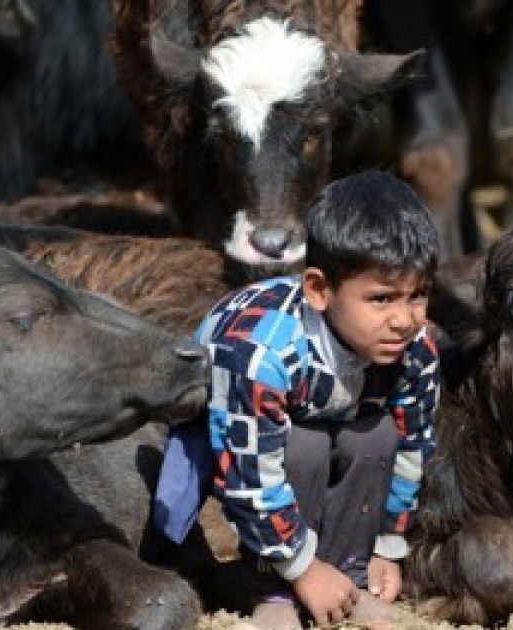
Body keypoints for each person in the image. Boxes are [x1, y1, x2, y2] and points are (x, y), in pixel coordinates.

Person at [153, 170, 441, 628]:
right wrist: (300, 569)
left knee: (380, 436)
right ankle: (270, 586)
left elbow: (413, 445)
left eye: (418, 295)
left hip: (330, 420)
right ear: (318, 290)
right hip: (233, 438)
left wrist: (388, 545)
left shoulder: (415, 350)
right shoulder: (258, 353)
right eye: (382, 299)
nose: (404, 320)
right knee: (303, 445)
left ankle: (349, 577)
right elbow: (249, 471)